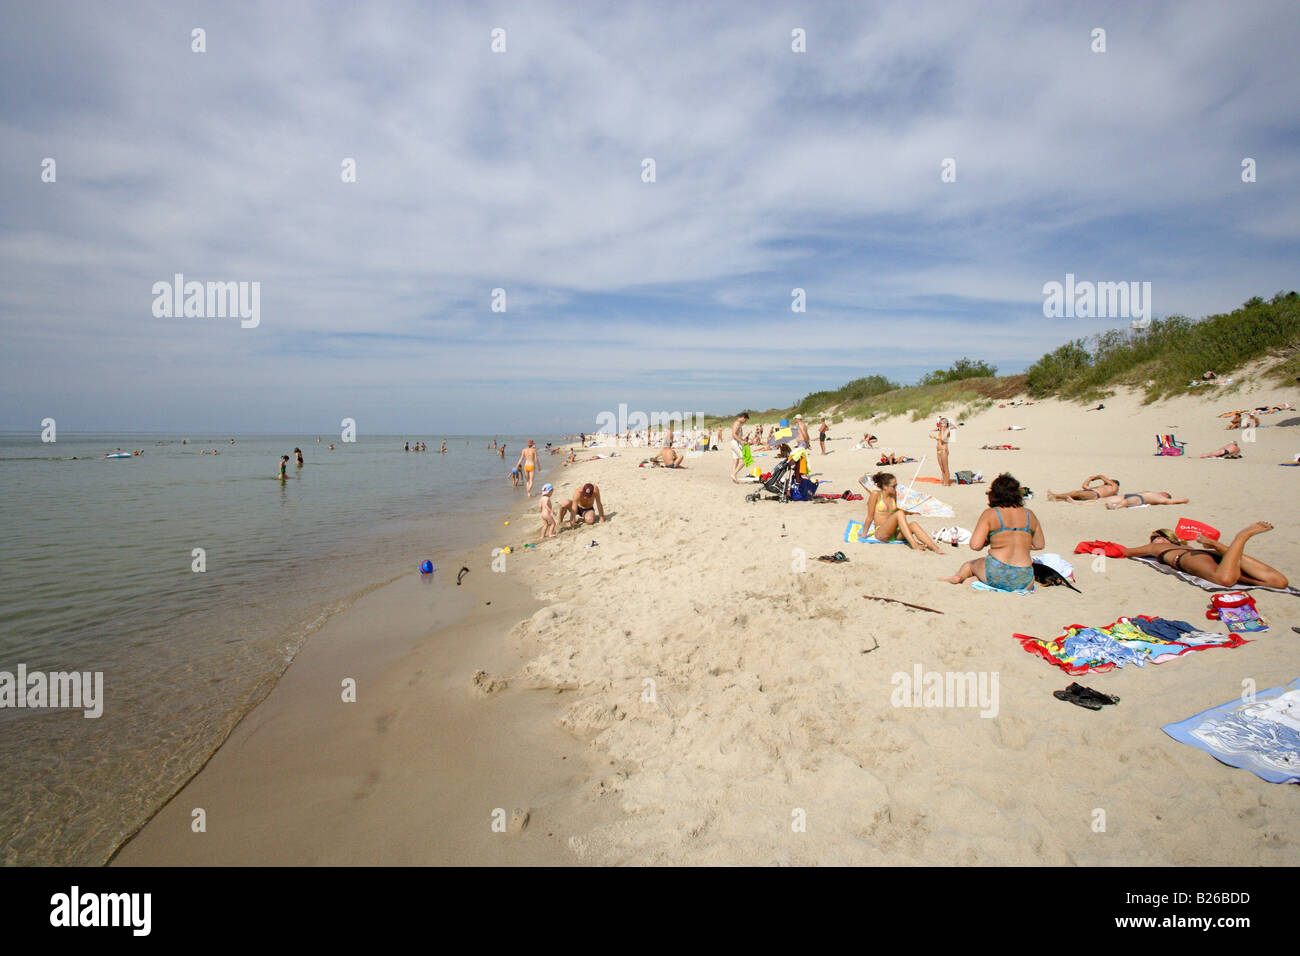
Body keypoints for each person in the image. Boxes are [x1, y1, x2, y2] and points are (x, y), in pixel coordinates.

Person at [941, 473, 1044, 589]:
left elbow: (975, 545)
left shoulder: (991, 514)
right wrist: (1020, 544)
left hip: (996, 571)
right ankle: (975, 579)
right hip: (1024, 577)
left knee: (969, 565)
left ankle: (958, 577)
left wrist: (992, 541)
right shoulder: (1030, 514)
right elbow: (1039, 544)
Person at [1121, 522, 1286, 588]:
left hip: (1189, 559)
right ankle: (1217, 545)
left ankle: (1241, 537)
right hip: (1209, 554)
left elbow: (1126, 552)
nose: (1152, 540)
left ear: (1164, 538)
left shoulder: (1158, 547)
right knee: (1279, 582)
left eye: (1154, 537)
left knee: (1224, 580)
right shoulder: (1185, 546)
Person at [863, 472, 944, 553]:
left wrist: (909, 512)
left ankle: (935, 548)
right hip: (881, 533)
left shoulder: (893, 494)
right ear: (885, 486)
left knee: (913, 524)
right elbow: (870, 516)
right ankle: (914, 544)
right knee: (900, 513)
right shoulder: (875, 494)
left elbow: (894, 512)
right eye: (894, 486)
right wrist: (864, 534)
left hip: (894, 532)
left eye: (896, 485)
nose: (896, 488)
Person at [1047, 475, 1121, 501]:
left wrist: (1095, 478)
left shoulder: (1114, 487)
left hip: (1095, 494)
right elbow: (1085, 486)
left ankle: (1055, 495)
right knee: (1075, 494)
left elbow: (1102, 476)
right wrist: (1089, 479)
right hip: (1092, 492)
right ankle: (1057, 498)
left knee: (1077, 493)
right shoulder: (1102, 487)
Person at [1102, 490, 1189, 509]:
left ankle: (1116, 507)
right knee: (1109, 500)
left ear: (1166, 496)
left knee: (1126, 502)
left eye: (1165, 493)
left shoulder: (1162, 499)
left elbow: (1176, 501)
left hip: (1140, 498)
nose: (1163, 492)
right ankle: (1112, 505)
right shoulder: (1155, 493)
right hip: (1134, 495)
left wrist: (1185, 500)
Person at [930, 417, 952, 486]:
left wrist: (935, 436)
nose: (940, 425)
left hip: (944, 450)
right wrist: (938, 426)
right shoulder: (940, 430)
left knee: (945, 467)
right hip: (938, 451)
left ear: (945, 424)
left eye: (942, 423)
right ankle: (944, 481)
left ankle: (947, 483)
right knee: (942, 468)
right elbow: (933, 430)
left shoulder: (947, 431)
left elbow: (942, 439)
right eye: (940, 423)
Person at [730, 413, 750, 483]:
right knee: (745, 460)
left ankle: (734, 476)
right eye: (746, 420)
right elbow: (734, 434)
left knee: (736, 460)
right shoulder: (737, 423)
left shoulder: (737, 423)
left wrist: (744, 440)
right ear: (743, 418)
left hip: (735, 442)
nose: (745, 421)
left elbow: (737, 435)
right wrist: (741, 441)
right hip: (735, 443)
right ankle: (734, 474)